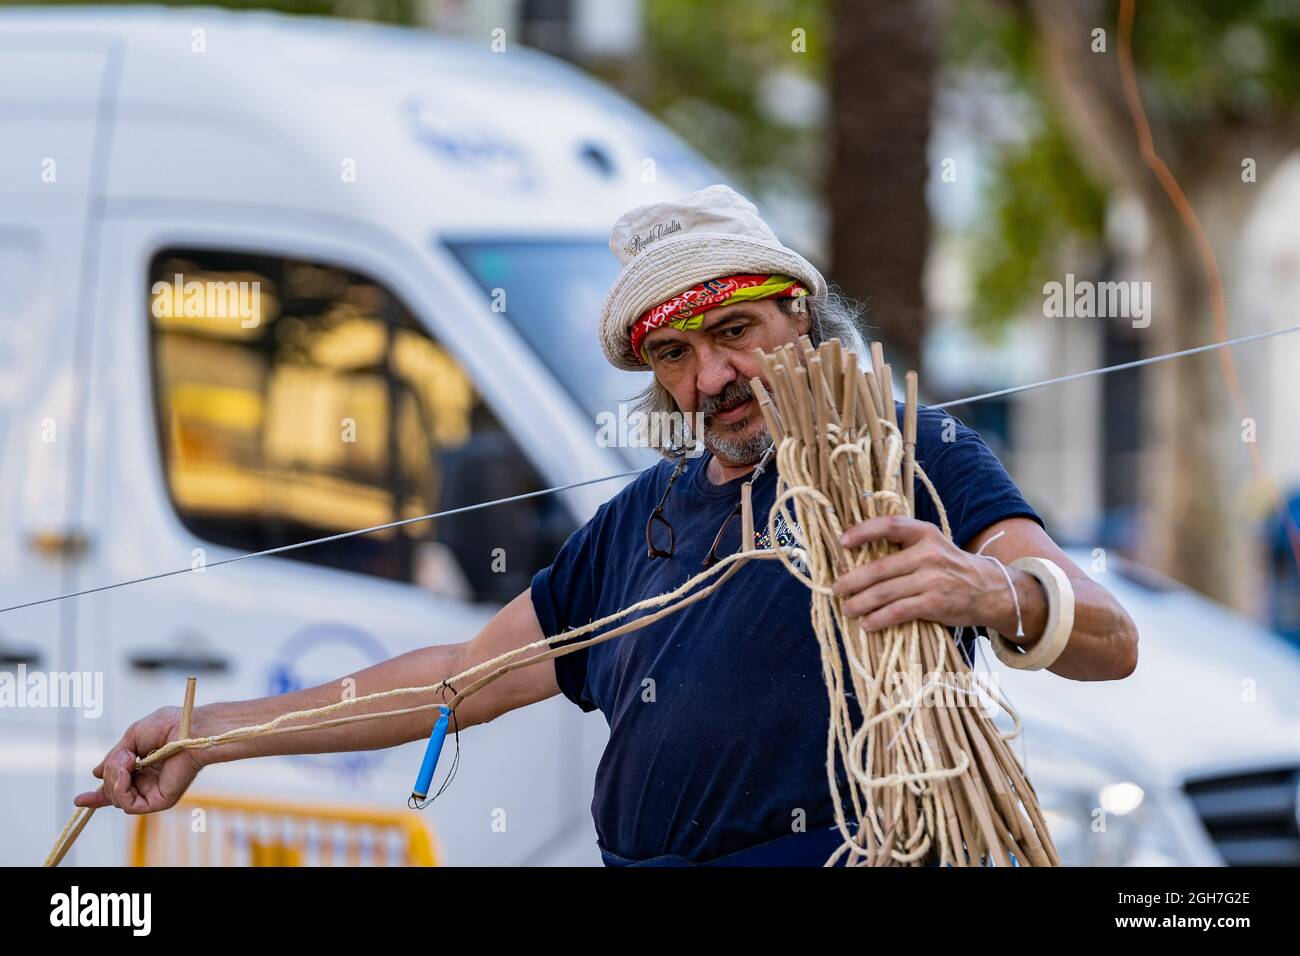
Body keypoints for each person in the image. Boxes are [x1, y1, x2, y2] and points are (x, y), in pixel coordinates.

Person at [79, 184, 1138, 866]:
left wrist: (992, 591)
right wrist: (212, 733)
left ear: (801, 324)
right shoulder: (644, 519)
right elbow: (457, 673)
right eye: (674, 353)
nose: (709, 375)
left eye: (736, 331)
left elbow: (1109, 636)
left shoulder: (908, 460)